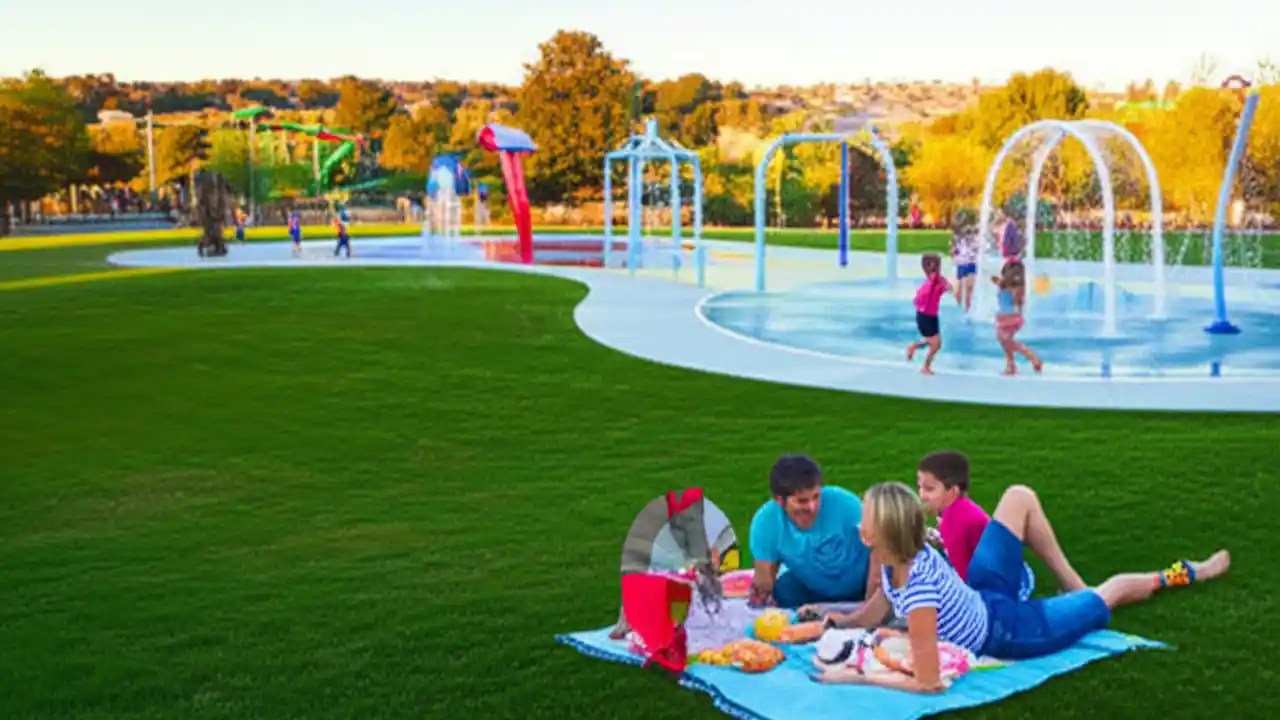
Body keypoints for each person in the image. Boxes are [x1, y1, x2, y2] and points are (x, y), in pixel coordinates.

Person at [815, 481, 1229, 693]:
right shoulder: (893, 558)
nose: (858, 525)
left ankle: (1187, 572)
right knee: (1017, 498)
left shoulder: (918, 591)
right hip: (981, 596)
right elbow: (876, 611)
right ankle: (1078, 594)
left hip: (1009, 630)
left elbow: (929, 683)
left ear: (884, 531)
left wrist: (850, 678)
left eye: (865, 518)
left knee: (1111, 591)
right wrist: (840, 621)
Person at [747, 455, 874, 610]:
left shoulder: (846, 505)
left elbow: (882, 547)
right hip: (812, 589)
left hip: (862, 585)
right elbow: (764, 582)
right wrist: (760, 597)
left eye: (816, 497)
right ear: (779, 500)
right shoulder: (766, 522)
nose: (812, 507)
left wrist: (872, 598)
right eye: (802, 501)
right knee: (784, 589)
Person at [915, 451, 1039, 598]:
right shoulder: (958, 508)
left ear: (953, 491)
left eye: (929, 489)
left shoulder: (954, 522)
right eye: (920, 487)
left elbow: (963, 580)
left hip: (1004, 588)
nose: (921, 495)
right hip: (1012, 571)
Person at [992, 260, 1042, 375]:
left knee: (1007, 342)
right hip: (1014, 318)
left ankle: (1033, 358)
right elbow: (1018, 303)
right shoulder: (1016, 287)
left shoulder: (1005, 286)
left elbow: (994, 280)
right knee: (1006, 342)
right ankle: (1011, 365)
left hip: (1006, 318)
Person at [906, 254, 952, 375]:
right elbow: (948, 288)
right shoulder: (934, 279)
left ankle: (914, 347)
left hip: (929, 315)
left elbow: (948, 288)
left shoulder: (935, 280)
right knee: (936, 344)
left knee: (933, 342)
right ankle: (925, 367)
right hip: (926, 316)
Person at [949, 212, 979, 313]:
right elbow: (952, 252)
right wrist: (953, 255)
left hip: (971, 263)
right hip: (961, 265)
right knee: (957, 293)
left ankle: (968, 311)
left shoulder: (973, 233)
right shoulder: (955, 238)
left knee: (969, 288)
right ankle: (962, 309)